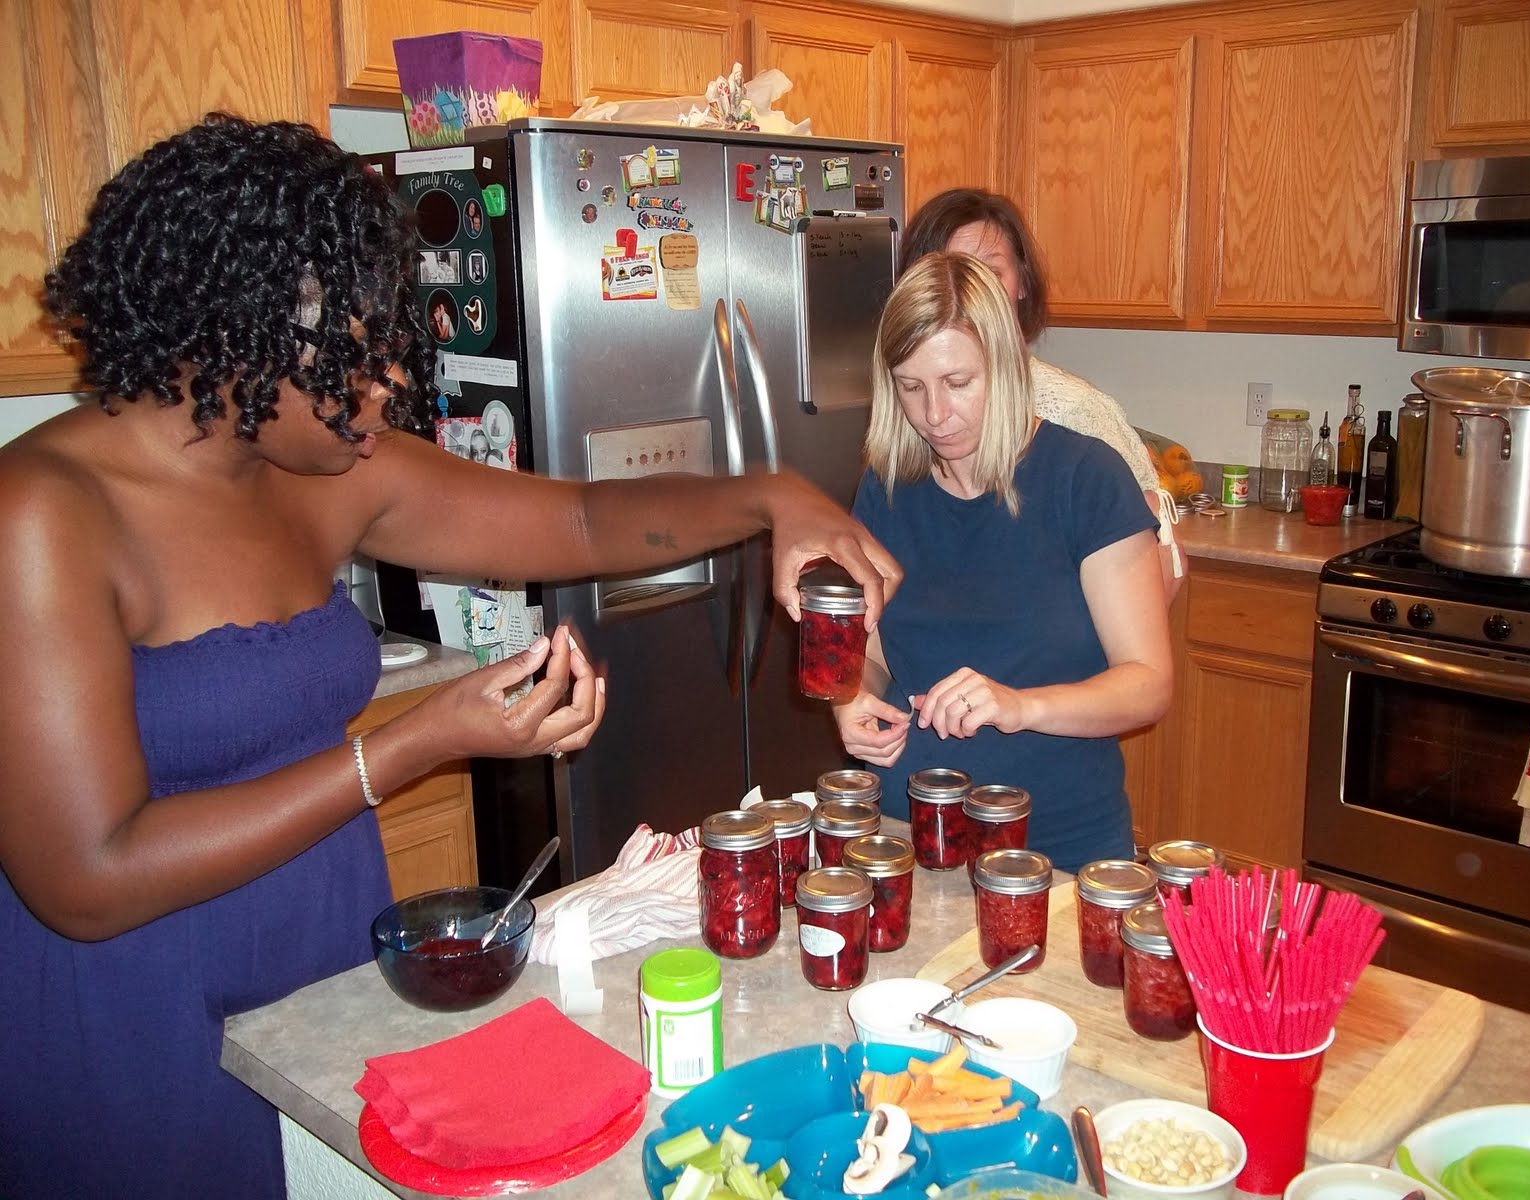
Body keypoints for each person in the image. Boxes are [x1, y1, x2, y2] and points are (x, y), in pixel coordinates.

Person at [0, 115, 899, 1200]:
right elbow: (87, 877)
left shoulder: (320, 470)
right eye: (353, 352)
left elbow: (573, 523)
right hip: (133, 1008)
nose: (386, 385)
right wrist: (413, 746)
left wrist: (773, 497)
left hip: (318, 963)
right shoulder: (44, 515)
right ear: (231, 328)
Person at [832, 251, 1172, 874]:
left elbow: (1147, 683)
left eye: (958, 383)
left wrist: (1019, 706)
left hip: (1061, 845)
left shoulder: (1086, 479)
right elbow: (875, 650)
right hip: (913, 836)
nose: (935, 414)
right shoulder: (885, 489)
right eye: (912, 387)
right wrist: (853, 694)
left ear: (1008, 367)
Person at [902, 188, 1185, 599]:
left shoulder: (1075, 413)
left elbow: (1163, 563)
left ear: (1022, 282)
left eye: (990, 273)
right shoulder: (907, 417)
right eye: (953, 272)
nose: (936, 413)